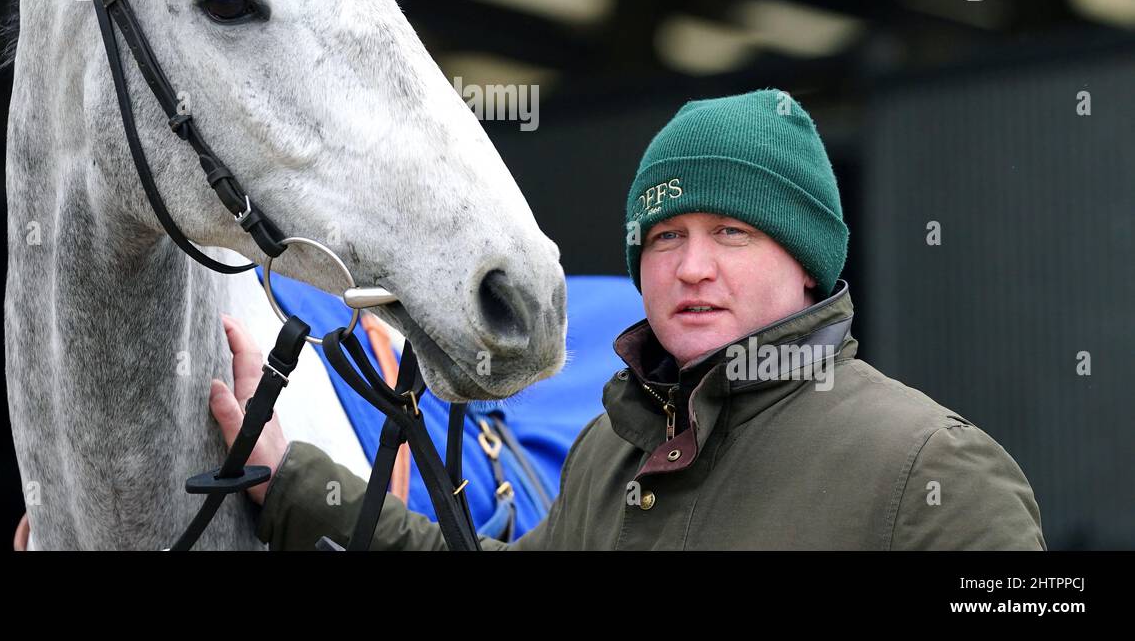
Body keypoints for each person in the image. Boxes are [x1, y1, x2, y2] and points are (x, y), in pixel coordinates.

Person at [208, 88, 1045, 549]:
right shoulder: (612, 454)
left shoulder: (933, 466)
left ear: (806, 262)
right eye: (666, 237)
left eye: (733, 233)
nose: (691, 266)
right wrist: (293, 481)